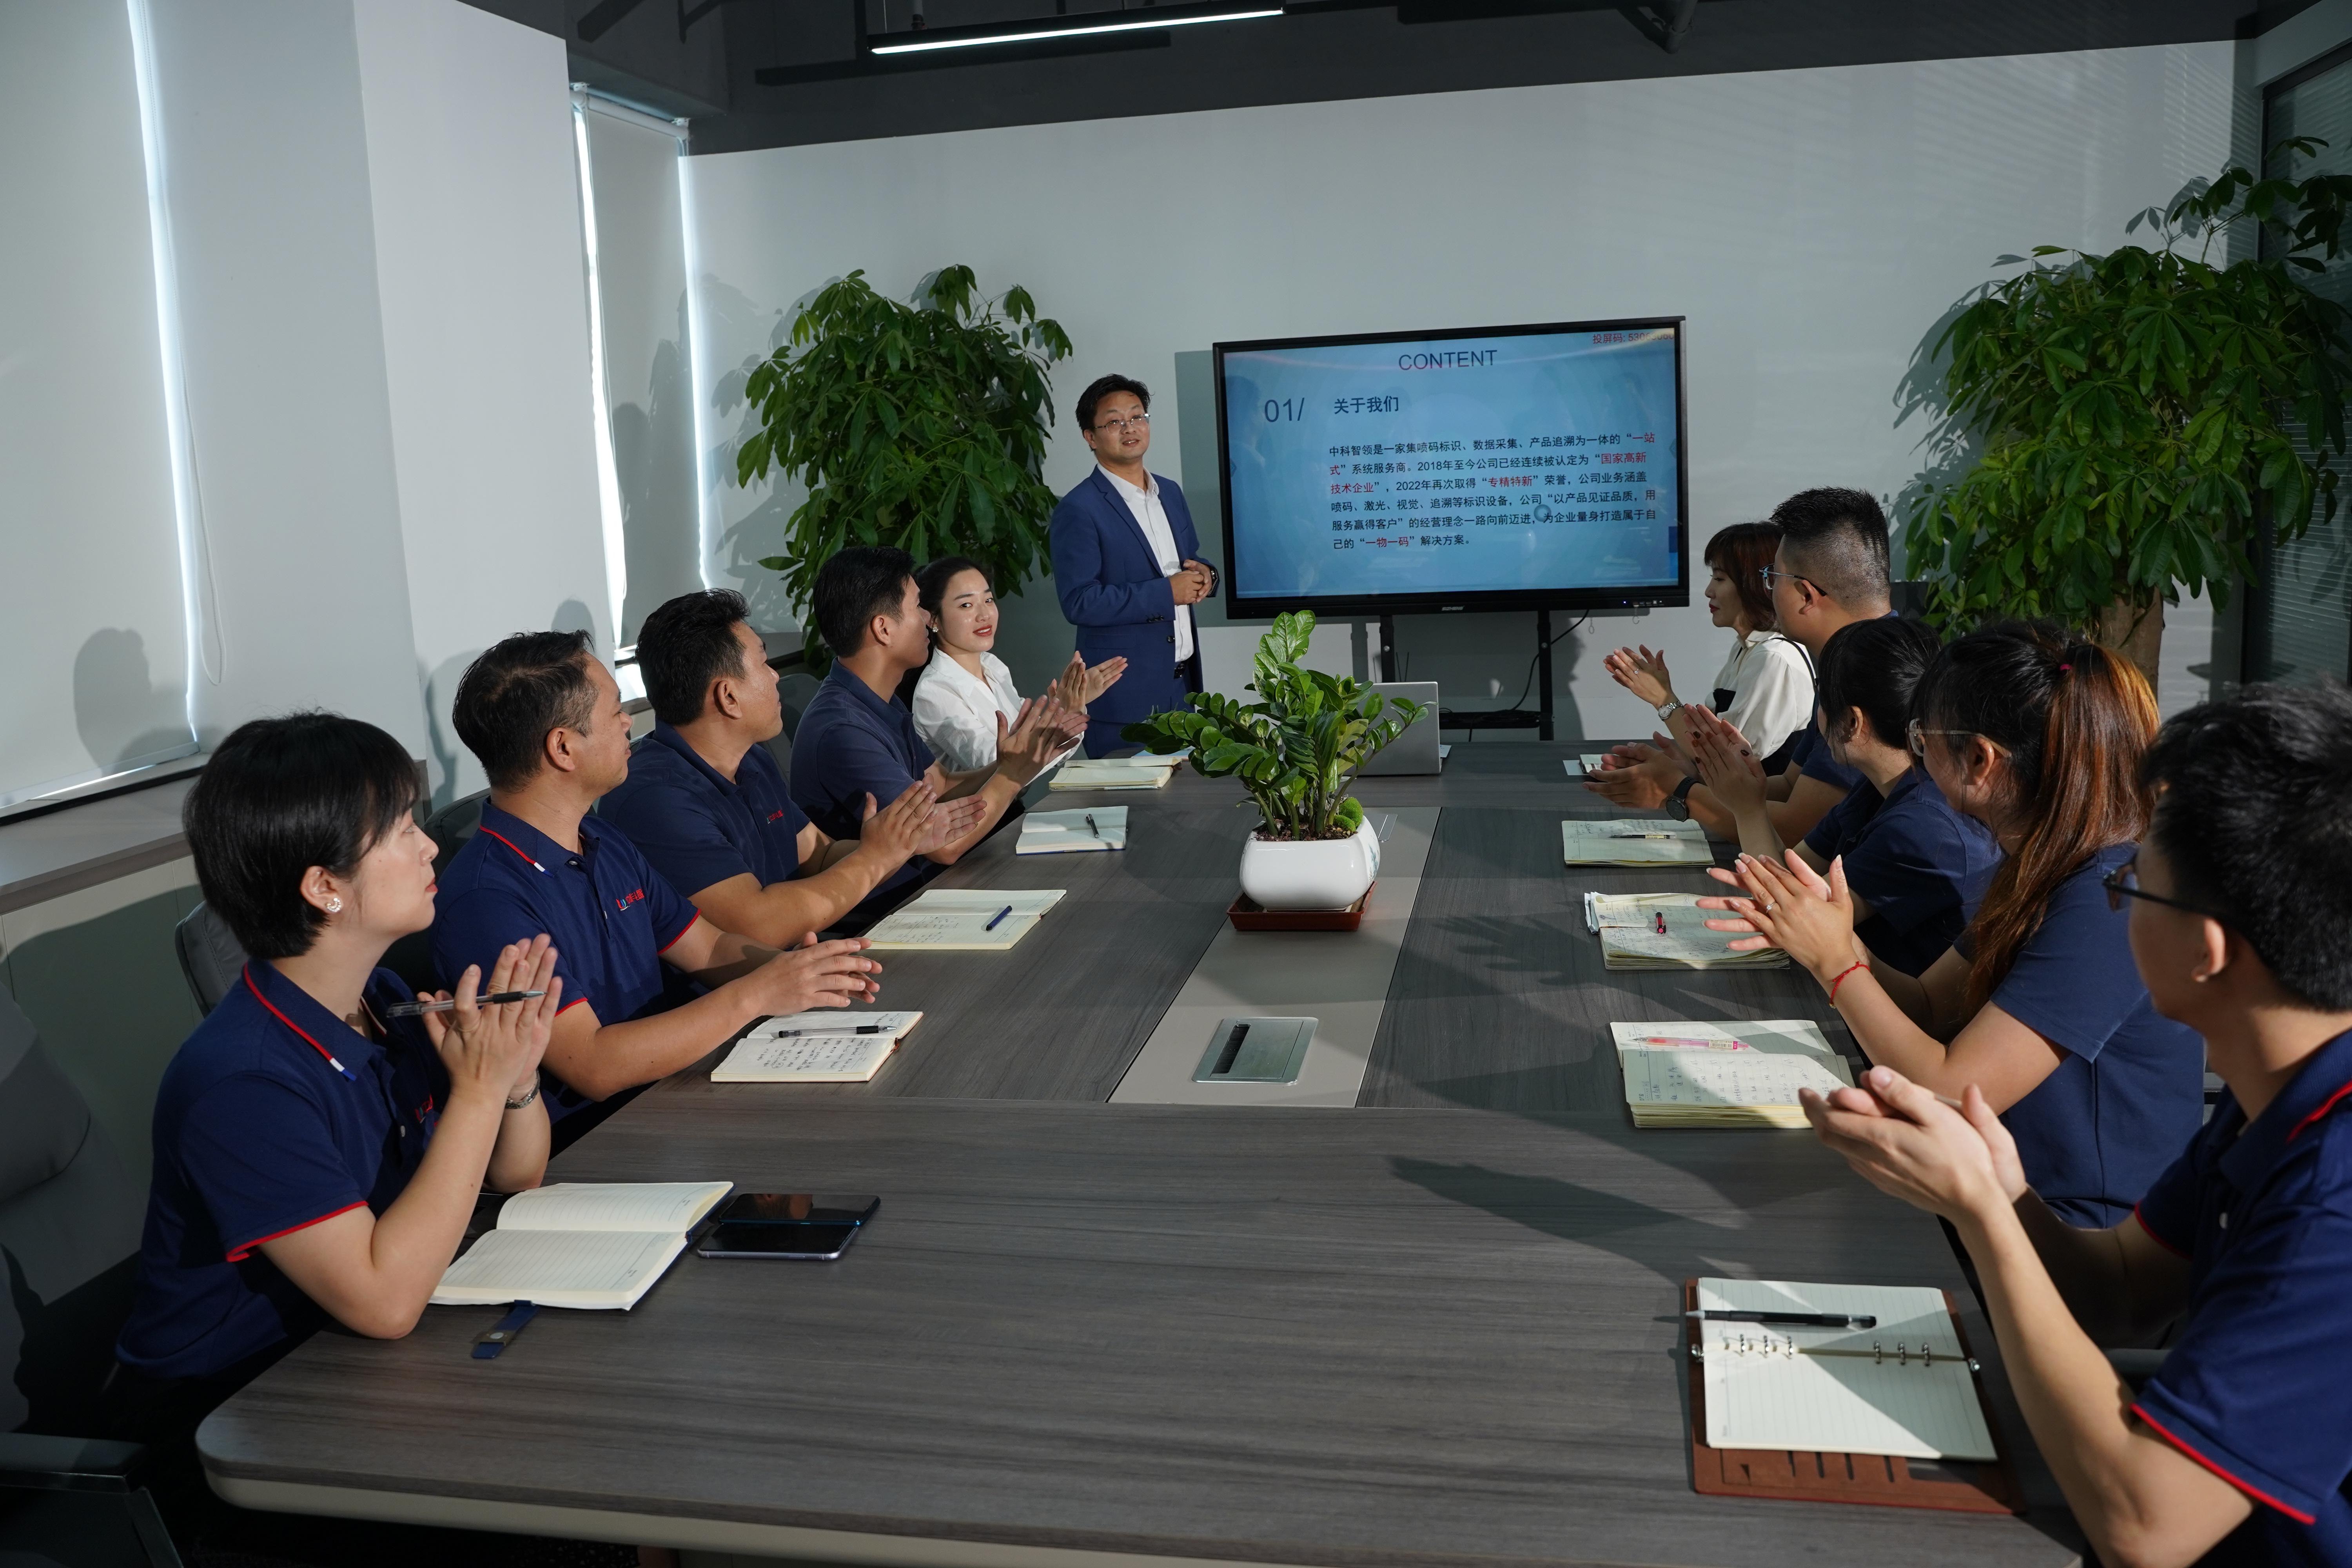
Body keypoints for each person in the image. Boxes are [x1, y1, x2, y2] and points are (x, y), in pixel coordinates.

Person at [1799, 682, 2352, 1566]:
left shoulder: (2335, 1198)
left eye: (2134, 886)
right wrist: (2004, 1192)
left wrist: (1983, 1211)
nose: (2116, 901)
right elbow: (2121, 1291)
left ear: (2207, 951)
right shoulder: (2277, 1103)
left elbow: (2147, 1527)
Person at [113, 713, 560, 1416]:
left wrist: (514, 1072)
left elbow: (516, 1174)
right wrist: (477, 1092)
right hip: (232, 1410)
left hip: (355, 1361)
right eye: (402, 829)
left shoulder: (379, 999)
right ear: (325, 886)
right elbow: (386, 1304)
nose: (429, 845)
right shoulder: (241, 1083)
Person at [1700, 622, 2205, 1226]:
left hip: (2074, 1231)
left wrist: (1837, 963)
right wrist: (1835, 937)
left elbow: (1953, 1087)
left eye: (1922, 737)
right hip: (1987, 1185)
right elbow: (1928, 1005)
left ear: (1980, 760)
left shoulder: (2106, 902)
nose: (1914, 754)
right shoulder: (2036, 864)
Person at [432, 630, 884, 1140]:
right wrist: (757, 995)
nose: (630, 722)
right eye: (615, 713)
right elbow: (594, 1064)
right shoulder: (486, 899)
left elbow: (707, 947)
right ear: (563, 748)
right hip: (596, 1142)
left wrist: (803, 972)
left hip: (676, 1095)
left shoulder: (600, 838)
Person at [602, 589, 988, 949]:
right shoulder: (656, 800)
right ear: (728, 697)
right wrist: (878, 858)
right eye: (764, 664)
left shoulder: (749, 758)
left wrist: (899, 842)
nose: (775, 677)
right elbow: (758, 923)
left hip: (796, 970)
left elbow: (818, 855)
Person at [1686, 616, 1999, 975]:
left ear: (1852, 723)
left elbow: (1795, 921)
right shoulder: (1880, 787)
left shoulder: (1923, 825)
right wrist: (1749, 799)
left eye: (1822, 701)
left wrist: (1747, 808)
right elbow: (1790, 877)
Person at [789, 547, 1083, 922]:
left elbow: (938, 783)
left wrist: (1009, 762)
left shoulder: (875, 699)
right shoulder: (842, 729)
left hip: (932, 888)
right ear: (883, 629)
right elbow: (942, 845)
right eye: (918, 607)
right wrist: (1013, 775)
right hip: (891, 913)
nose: (929, 620)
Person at [1588, 487, 1891, 844]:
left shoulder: (1867, 679)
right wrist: (1693, 780)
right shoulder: (1852, 665)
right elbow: (1788, 786)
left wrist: (1679, 790)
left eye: (1773, 578)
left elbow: (1797, 826)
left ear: (1806, 595)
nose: (1769, 590)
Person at [1049, 374, 1219, 757]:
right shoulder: (1079, 509)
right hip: (1123, 699)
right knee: (1129, 798)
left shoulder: (1169, 492)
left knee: (1186, 795)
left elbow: (1190, 559)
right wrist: (1166, 592)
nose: (1129, 428)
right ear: (1091, 437)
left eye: (1137, 416)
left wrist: (1208, 575)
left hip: (1183, 688)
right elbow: (1079, 601)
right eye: (1114, 422)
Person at [1597, 520, 1812, 774]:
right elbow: (1710, 749)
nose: (1709, 591)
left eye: (1720, 579)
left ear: (1755, 584)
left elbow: (1730, 762)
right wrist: (1672, 762)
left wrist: (1662, 698)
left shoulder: (1775, 658)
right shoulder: (1747, 649)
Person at [909, 554, 1125, 773]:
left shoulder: (992, 666)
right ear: (932, 619)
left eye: (988, 600)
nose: (985, 615)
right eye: (966, 605)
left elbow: (1033, 743)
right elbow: (999, 766)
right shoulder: (934, 691)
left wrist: (1071, 703)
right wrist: (1062, 712)